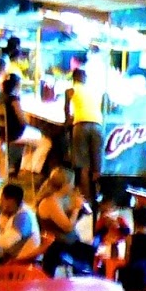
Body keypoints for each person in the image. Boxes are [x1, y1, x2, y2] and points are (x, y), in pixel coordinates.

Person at [36, 168, 94, 275]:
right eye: (72, 183)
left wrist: (81, 209)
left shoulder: (61, 198)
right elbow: (67, 227)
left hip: (68, 242)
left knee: (92, 252)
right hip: (57, 245)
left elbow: (71, 220)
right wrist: (76, 209)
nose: (73, 186)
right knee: (88, 255)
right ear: (65, 184)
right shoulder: (50, 202)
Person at [1, 74, 53, 185]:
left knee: (32, 140)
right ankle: (32, 170)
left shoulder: (1, 96)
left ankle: (24, 169)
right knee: (46, 142)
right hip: (16, 133)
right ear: (16, 85)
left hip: (4, 132)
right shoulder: (13, 99)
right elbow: (22, 120)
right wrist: (34, 125)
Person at [64, 69, 104, 203]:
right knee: (97, 166)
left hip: (80, 126)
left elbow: (67, 111)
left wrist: (67, 122)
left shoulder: (70, 90)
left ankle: (86, 199)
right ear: (84, 78)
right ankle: (97, 195)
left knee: (84, 167)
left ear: (74, 78)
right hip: (97, 125)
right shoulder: (94, 90)